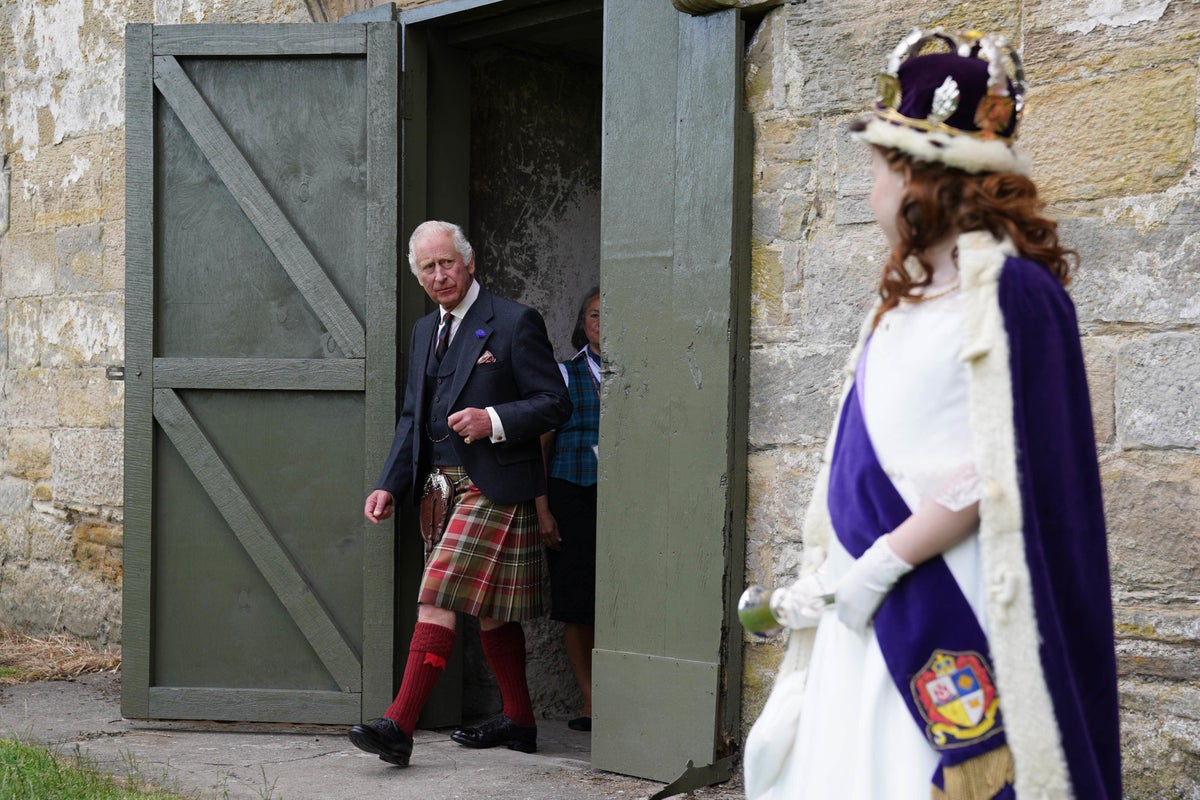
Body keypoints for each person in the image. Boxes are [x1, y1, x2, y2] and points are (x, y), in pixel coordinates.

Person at [743, 29, 1121, 800]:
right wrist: (845, 572)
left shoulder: (1016, 294)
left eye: (880, 168)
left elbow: (1009, 463)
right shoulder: (904, 300)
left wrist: (885, 561)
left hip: (950, 595)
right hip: (872, 601)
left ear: (925, 179)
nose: (870, 189)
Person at [349, 220, 572, 768]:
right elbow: (411, 420)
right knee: (490, 611)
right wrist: (389, 485)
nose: (439, 274)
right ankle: (520, 720)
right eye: (428, 267)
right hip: (437, 491)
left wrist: (493, 417)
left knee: (438, 594)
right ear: (418, 276)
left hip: (495, 485)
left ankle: (398, 725)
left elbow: (554, 402)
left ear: (469, 262)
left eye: (447, 262)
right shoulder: (426, 331)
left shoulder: (515, 321)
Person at [536, 287, 601, 732]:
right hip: (570, 494)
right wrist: (543, 510)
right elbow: (540, 449)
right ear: (583, 324)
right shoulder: (563, 374)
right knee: (576, 602)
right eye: (595, 315)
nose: (603, 323)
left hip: (625, 500)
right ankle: (590, 701)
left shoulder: (642, 371)